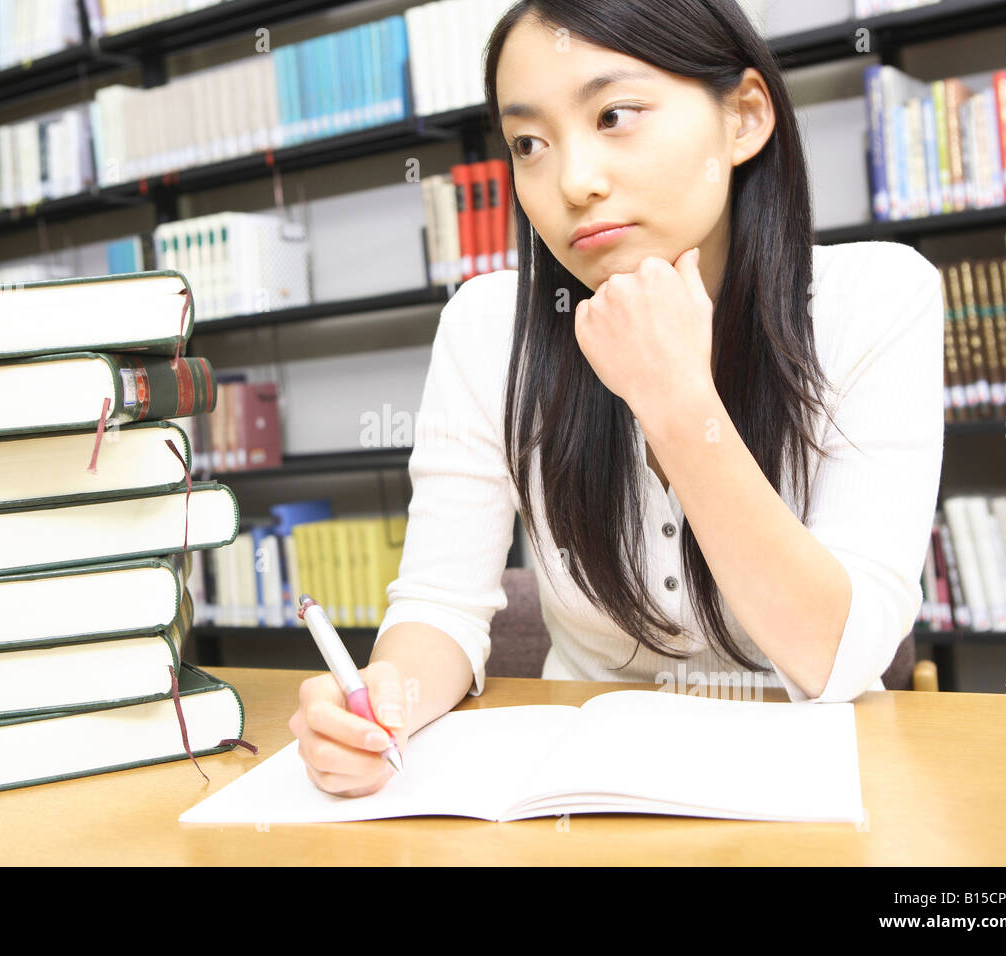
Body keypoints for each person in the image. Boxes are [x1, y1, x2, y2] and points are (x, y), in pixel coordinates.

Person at [288, 0, 943, 798]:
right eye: (529, 143)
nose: (573, 181)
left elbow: (836, 654)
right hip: (578, 792)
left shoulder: (876, 300)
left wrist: (674, 398)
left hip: (813, 788)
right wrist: (385, 703)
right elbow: (441, 605)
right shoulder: (488, 326)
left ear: (742, 119)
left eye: (615, 114)